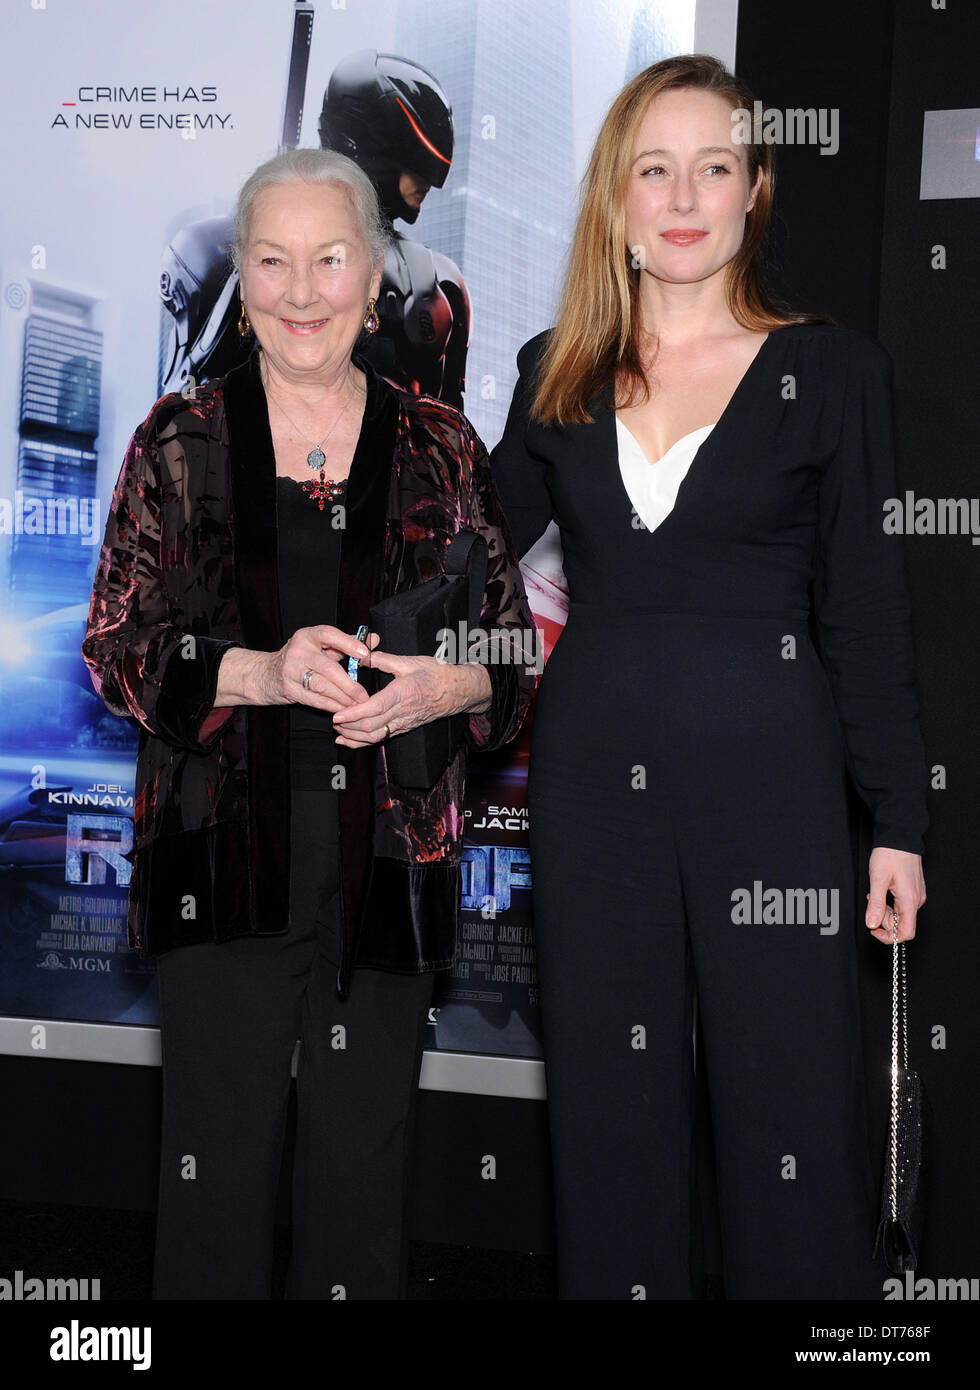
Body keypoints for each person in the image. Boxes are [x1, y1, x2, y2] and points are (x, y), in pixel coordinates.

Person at [490, 54, 929, 1300]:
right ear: (615, 198)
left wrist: (895, 819)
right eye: (653, 169)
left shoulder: (832, 374)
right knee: (607, 1117)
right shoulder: (553, 371)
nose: (683, 198)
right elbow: (460, 559)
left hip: (773, 790)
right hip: (591, 798)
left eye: (714, 167)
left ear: (755, 189)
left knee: (788, 1119)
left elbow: (867, 612)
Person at [82, 146, 534, 1300]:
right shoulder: (177, 442)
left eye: (328, 260)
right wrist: (261, 672)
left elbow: (509, 649)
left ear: (373, 274)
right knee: (213, 1199)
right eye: (272, 261)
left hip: (385, 881)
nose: (299, 291)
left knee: (358, 1200)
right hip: (221, 873)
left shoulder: (440, 445)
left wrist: (447, 685)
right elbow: (119, 647)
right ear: (243, 271)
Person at [159, 49, 470, 408]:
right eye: (416, 163)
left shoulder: (440, 282)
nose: (428, 180)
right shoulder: (213, 250)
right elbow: (182, 407)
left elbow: (452, 433)